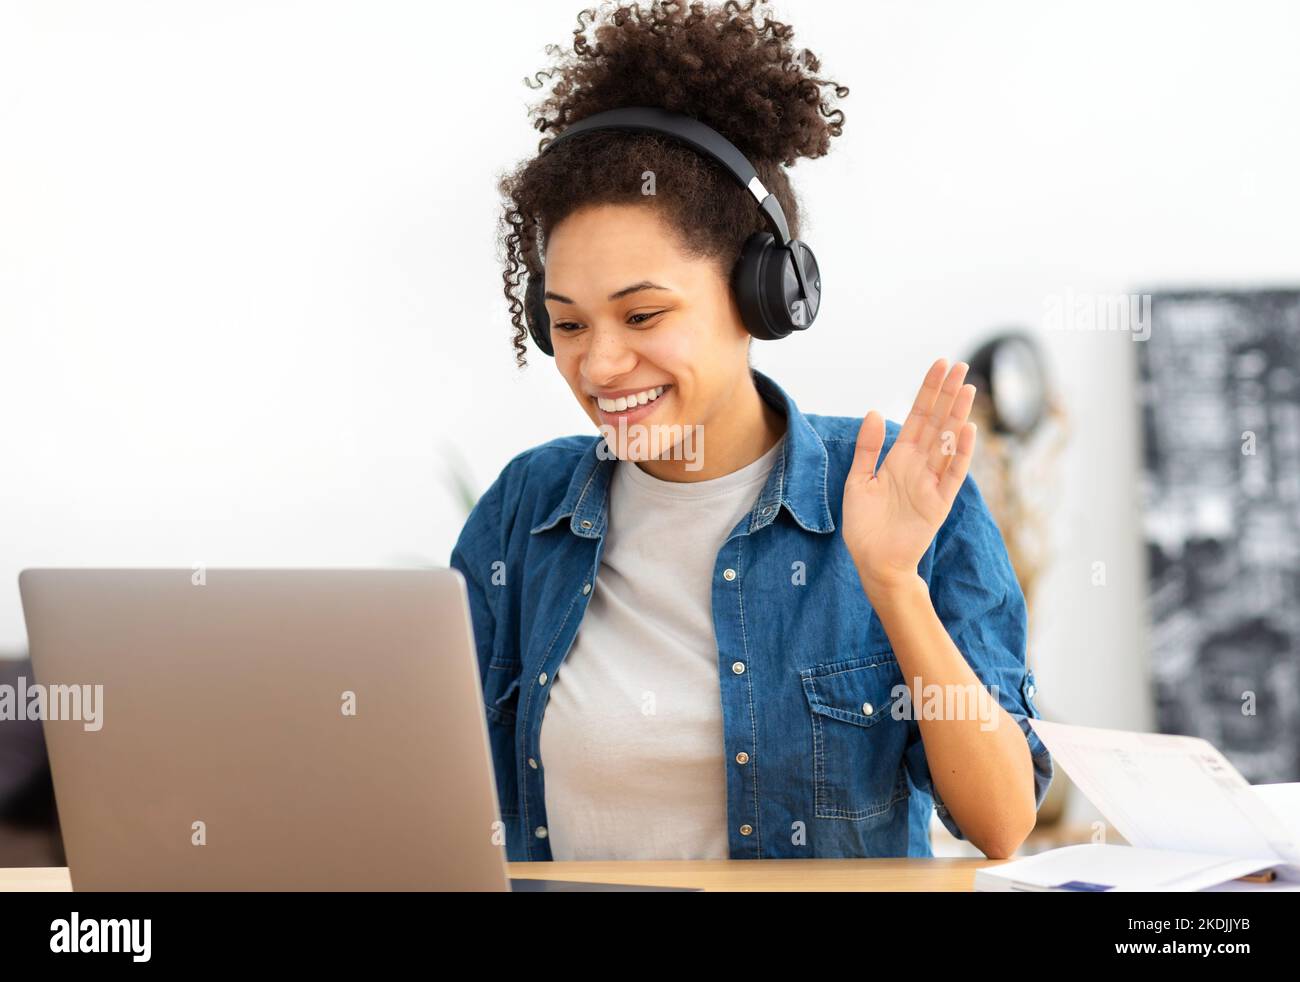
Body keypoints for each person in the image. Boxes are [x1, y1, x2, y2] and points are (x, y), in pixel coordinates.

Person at [452, 0, 1052, 862]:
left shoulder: (897, 488)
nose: (600, 366)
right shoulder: (525, 511)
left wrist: (892, 582)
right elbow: (440, 788)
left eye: (643, 314)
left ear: (760, 296)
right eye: (570, 326)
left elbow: (1000, 822)